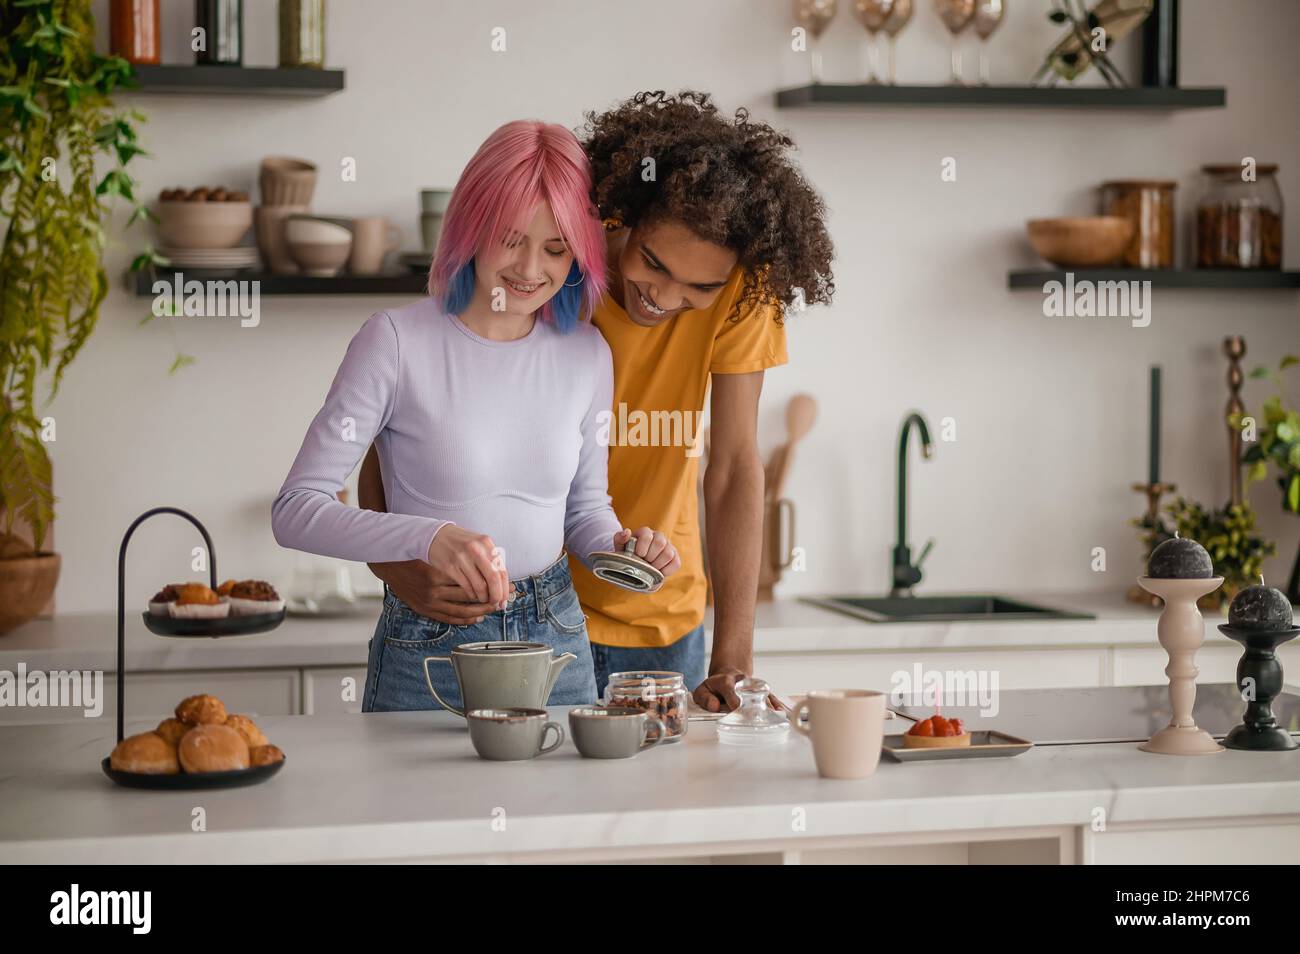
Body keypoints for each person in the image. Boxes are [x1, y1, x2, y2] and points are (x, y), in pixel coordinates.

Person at [360, 91, 834, 711]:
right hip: (525, 610)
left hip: (659, 617)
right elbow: (404, 424)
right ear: (623, 221)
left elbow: (736, 467)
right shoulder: (552, 258)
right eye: (652, 263)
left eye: (700, 287)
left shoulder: (743, 289)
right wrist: (393, 567)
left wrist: (735, 659)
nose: (664, 297)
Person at [272, 119, 679, 713]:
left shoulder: (587, 354)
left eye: (556, 248)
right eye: (510, 238)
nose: (530, 268)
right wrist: (427, 537)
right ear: (471, 225)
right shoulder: (393, 341)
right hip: (432, 646)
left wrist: (625, 548)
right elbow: (297, 510)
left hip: (557, 639)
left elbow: (585, 511)